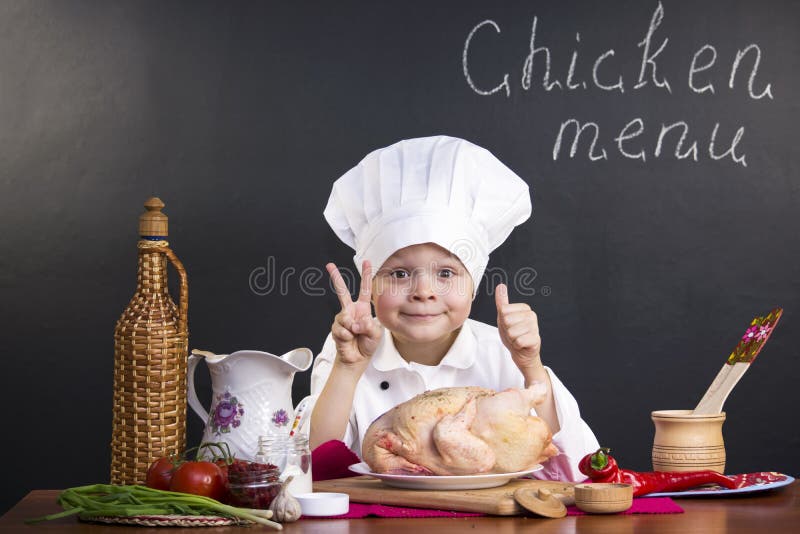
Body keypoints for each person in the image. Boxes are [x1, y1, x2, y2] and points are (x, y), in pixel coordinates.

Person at [309, 135, 598, 481]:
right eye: (399, 273)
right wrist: (347, 370)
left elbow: (577, 472)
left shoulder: (500, 353)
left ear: (473, 285)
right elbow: (315, 468)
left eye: (446, 273)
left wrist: (531, 367)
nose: (424, 292)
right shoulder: (347, 354)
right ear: (370, 288)